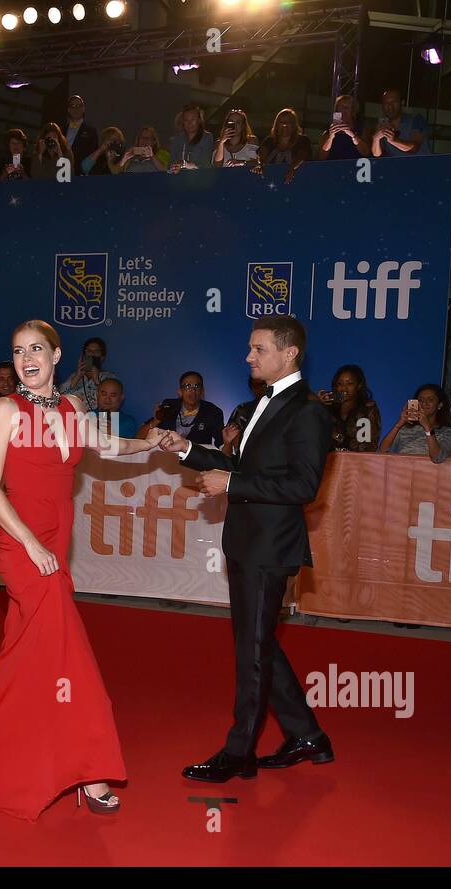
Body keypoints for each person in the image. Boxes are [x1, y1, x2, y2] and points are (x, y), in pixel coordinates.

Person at [0, 319, 159, 820]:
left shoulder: (72, 407)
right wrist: (29, 543)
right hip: (23, 548)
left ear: (55, 356)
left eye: (35, 350)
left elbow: (105, 445)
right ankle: (89, 769)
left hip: (57, 546)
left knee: (26, 655)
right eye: (17, 351)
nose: (26, 359)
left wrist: (148, 442)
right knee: (69, 651)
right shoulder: (3, 411)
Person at [156, 315, 333, 783]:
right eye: (250, 348)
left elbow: (303, 485)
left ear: (289, 352)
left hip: (270, 546)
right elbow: (235, 462)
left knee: (253, 651)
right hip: (246, 541)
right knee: (258, 644)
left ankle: (239, 754)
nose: (248, 357)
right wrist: (185, 448)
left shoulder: (308, 411)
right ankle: (307, 734)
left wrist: (232, 482)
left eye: (258, 349)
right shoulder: (262, 403)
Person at [139, 371, 224, 447]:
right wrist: (156, 420)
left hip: (197, 461)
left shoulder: (213, 412)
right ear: (180, 392)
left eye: (197, 386)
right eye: (188, 386)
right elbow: (139, 438)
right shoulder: (169, 406)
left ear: (202, 391)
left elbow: (222, 446)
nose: (193, 390)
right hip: (167, 459)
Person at [378, 384, 451, 461]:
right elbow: (382, 451)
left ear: (440, 405)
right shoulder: (405, 428)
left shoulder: (446, 431)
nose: (424, 403)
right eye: (421, 400)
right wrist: (398, 425)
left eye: (430, 399)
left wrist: (427, 427)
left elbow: (438, 457)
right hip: (401, 470)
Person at [318, 365, 381, 451]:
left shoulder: (366, 409)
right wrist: (317, 406)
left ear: (359, 385)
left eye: (349, 383)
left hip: (356, 462)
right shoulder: (328, 408)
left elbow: (365, 447)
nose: (343, 388)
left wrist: (335, 435)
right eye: (340, 384)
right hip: (327, 462)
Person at [59, 337, 116, 411]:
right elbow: (60, 397)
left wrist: (96, 380)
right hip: (72, 416)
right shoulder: (75, 376)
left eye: (96, 351)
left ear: (102, 357)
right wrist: (78, 376)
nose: (92, 353)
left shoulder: (109, 378)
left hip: (99, 417)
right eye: (89, 351)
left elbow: (110, 403)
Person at [370, 88, 430, 158]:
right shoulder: (382, 125)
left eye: (394, 102)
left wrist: (394, 140)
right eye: (386, 103)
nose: (390, 106)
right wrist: (376, 139)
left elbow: (414, 148)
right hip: (397, 167)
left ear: (402, 103)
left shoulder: (416, 119)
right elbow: (377, 155)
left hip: (421, 166)